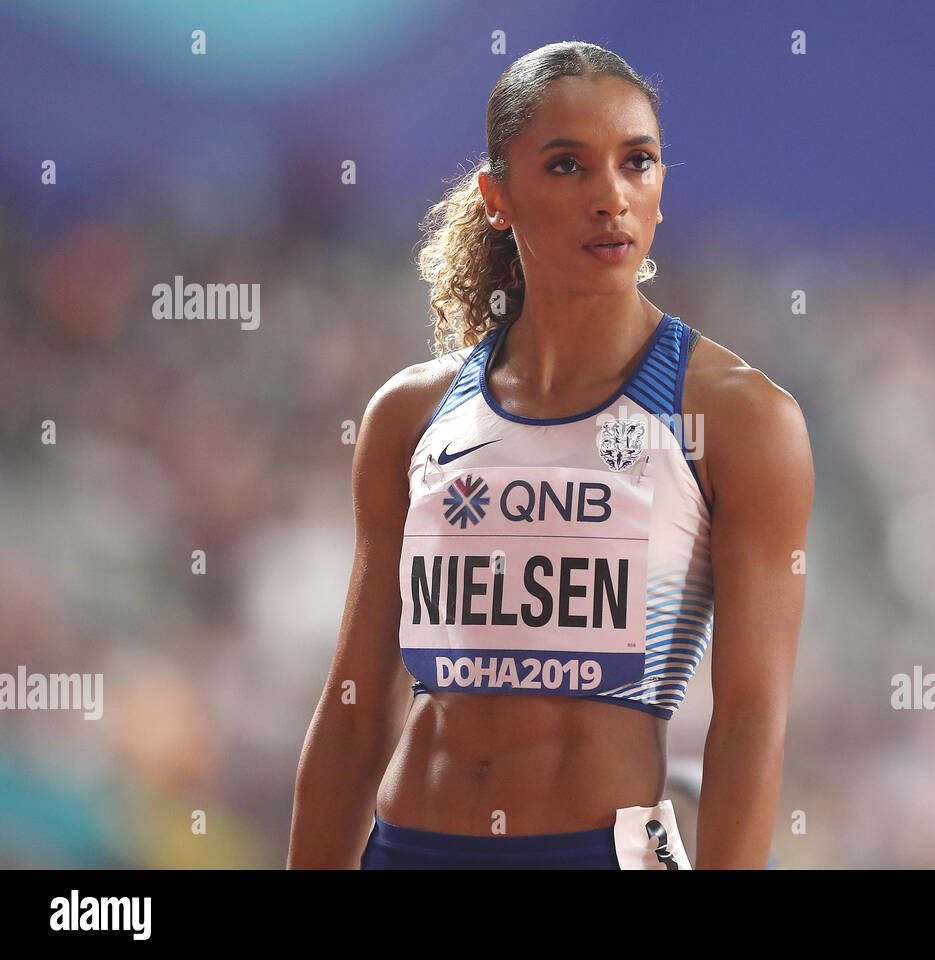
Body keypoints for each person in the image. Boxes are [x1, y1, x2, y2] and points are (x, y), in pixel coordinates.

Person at [286, 40, 813, 870]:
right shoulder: (410, 414)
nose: (612, 197)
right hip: (410, 847)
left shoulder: (739, 416)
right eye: (567, 166)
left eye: (637, 162)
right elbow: (355, 712)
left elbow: (752, 719)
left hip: (600, 854)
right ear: (498, 197)